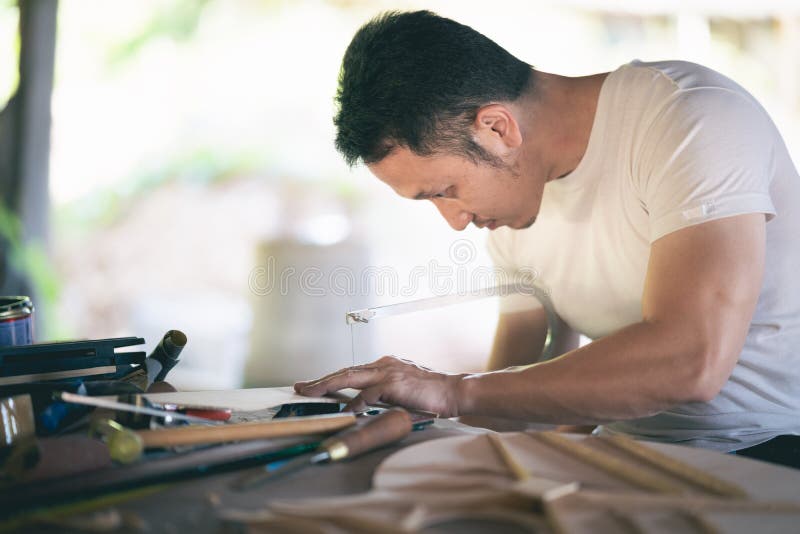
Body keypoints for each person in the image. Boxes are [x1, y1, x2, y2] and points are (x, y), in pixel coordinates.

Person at [295, 10, 800, 464]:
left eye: (445, 191)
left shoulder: (692, 118)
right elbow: (517, 386)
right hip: (628, 452)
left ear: (496, 128)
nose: (454, 220)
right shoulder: (511, 209)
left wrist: (453, 392)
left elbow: (691, 361)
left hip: (767, 452)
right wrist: (414, 412)